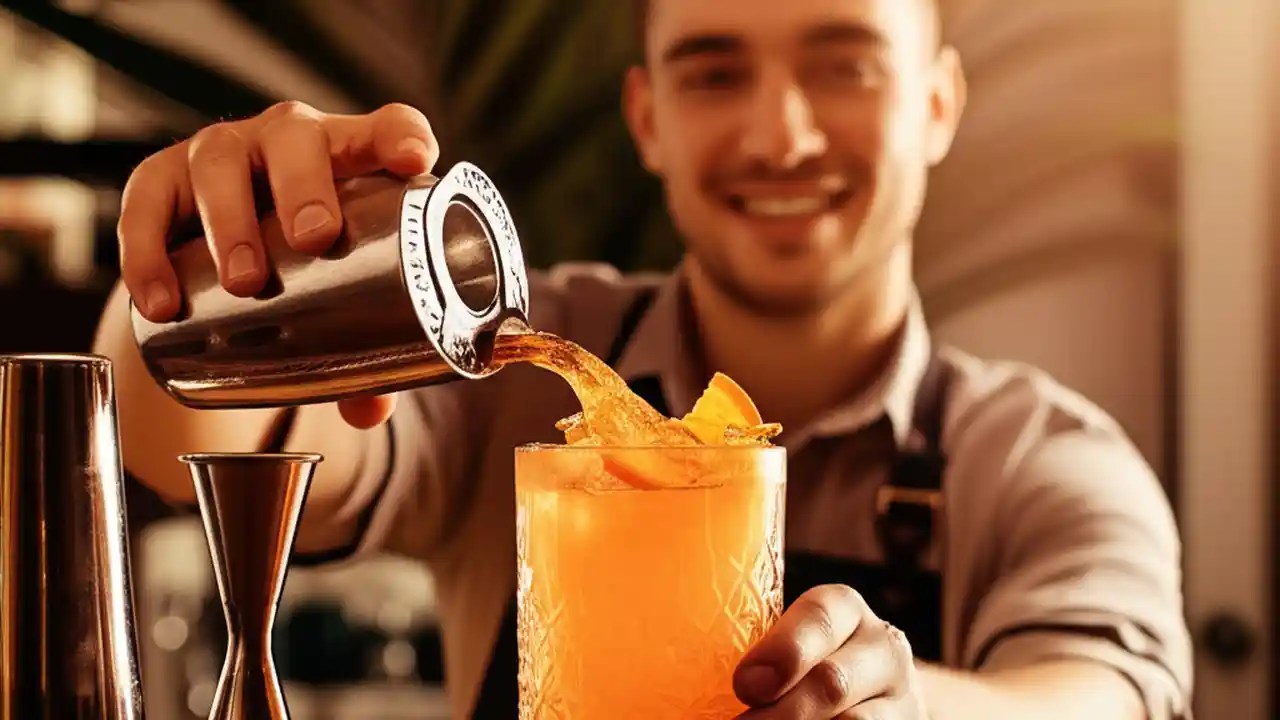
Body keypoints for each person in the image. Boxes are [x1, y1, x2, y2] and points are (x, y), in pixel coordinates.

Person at [93, 0, 1193, 717]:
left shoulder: (1042, 458)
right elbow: (187, 438)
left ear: (937, 105)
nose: (780, 135)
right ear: (647, 117)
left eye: (844, 66)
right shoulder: (514, 366)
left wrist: (895, 702)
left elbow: (1104, 697)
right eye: (714, 74)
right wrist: (201, 275)